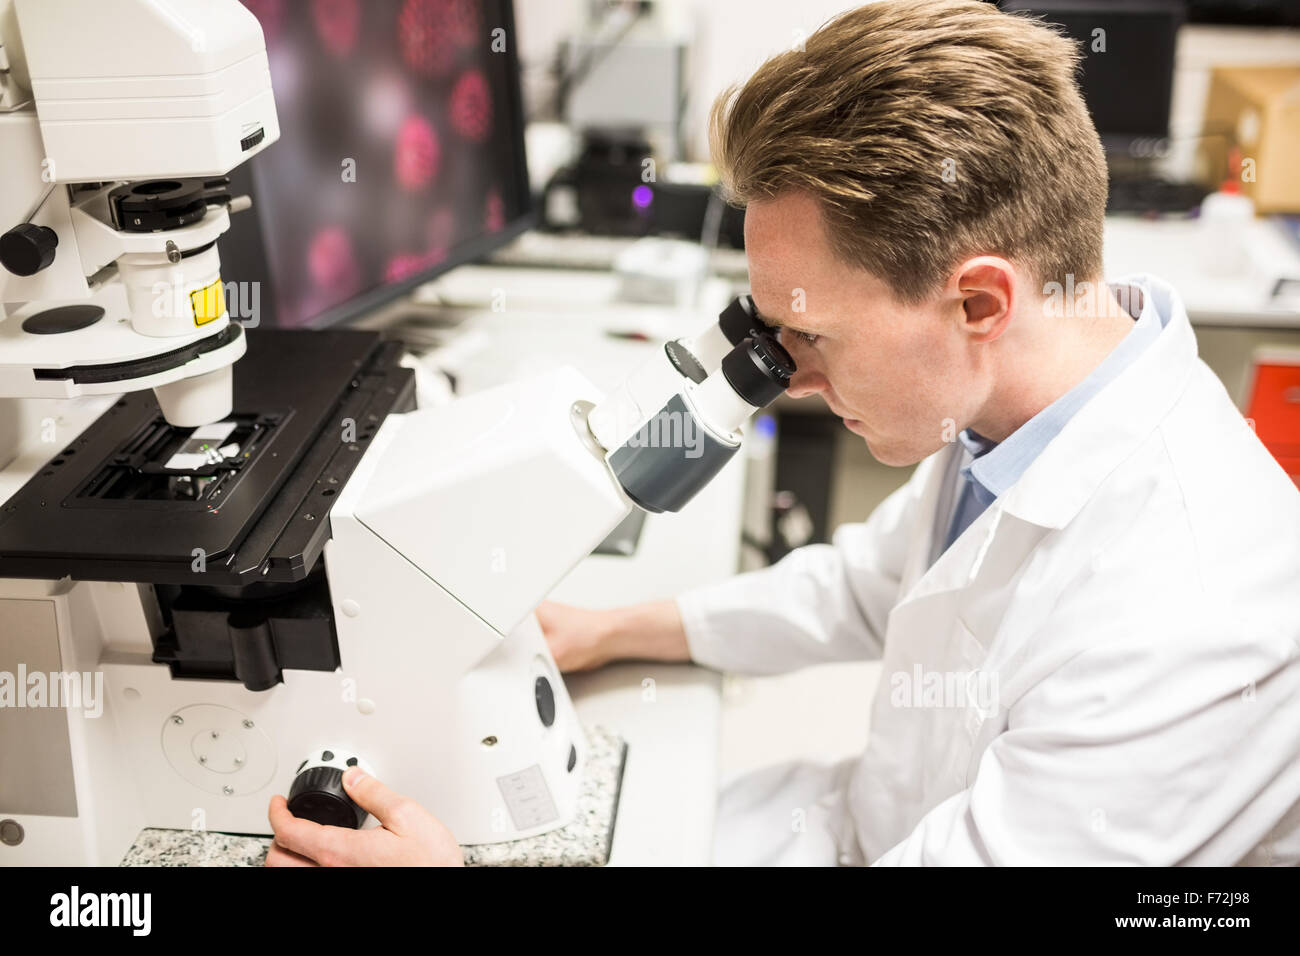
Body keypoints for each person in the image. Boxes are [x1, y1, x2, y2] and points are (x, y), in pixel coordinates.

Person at [267, 0, 1300, 866]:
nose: (789, 375)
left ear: (979, 301)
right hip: (867, 820)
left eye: (810, 333)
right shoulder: (1014, 402)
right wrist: (611, 627)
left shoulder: (1195, 614)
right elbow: (864, 586)